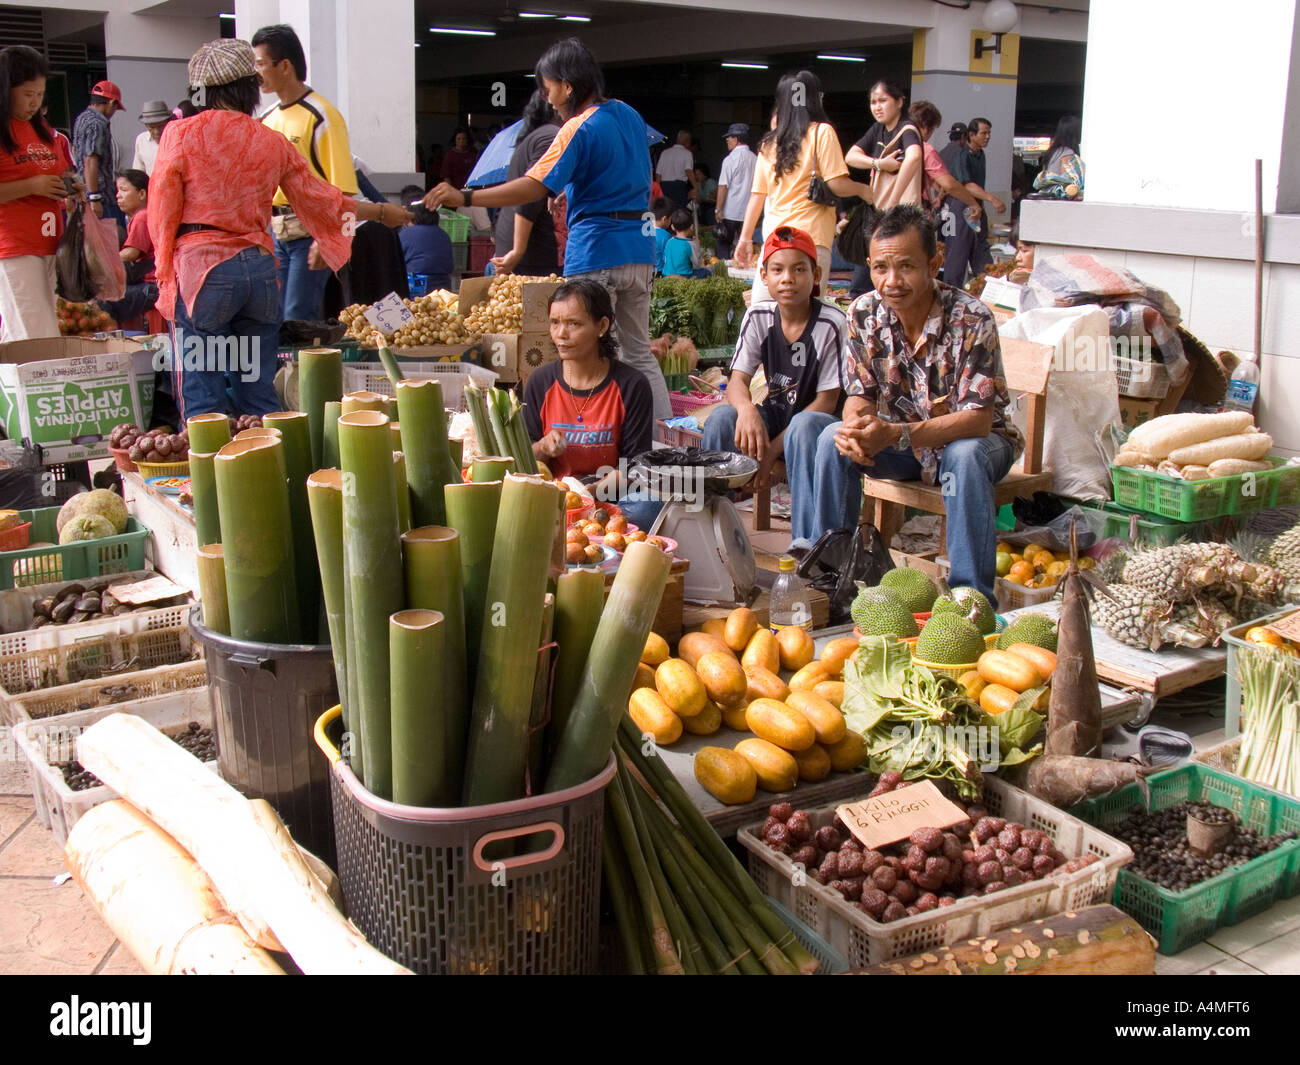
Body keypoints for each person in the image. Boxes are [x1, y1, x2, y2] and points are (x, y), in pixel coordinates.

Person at [149, 39, 409, 420]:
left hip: (201, 273)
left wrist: (163, 271)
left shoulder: (181, 134)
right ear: (249, 87)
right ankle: (271, 466)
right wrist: (384, 212)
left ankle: (206, 475)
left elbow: (162, 209)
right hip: (257, 273)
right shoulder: (271, 140)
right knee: (257, 393)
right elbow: (326, 201)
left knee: (202, 391)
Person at [424, 37, 670, 421]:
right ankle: (664, 440)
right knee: (638, 353)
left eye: (548, 86)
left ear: (567, 85)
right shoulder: (627, 114)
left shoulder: (576, 128)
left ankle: (595, 439)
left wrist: (467, 198)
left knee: (588, 357)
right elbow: (616, 173)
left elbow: (532, 187)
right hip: (639, 250)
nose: (547, 96)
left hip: (595, 252)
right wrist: (571, 190)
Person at [798, 205, 1023, 604]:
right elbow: (860, 394)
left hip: (977, 443)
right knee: (834, 436)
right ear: (868, 265)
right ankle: (834, 582)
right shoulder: (864, 313)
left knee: (965, 455)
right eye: (881, 267)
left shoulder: (973, 318)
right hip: (904, 445)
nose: (892, 281)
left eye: (906, 266)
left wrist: (894, 435)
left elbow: (979, 420)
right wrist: (856, 426)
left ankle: (971, 601)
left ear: (935, 261)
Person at [704, 226, 844, 522]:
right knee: (721, 420)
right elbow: (738, 381)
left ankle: (807, 543)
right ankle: (713, 520)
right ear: (764, 276)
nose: (787, 279)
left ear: (816, 275)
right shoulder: (759, 316)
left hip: (818, 428)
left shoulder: (832, 323)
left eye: (798, 269)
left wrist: (769, 454)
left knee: (804, 425)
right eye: (777, 270)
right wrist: (746, 410)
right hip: (777, 417)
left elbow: (828, 401)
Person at [252, 23, 359, 323]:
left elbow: (346, 192)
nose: (255, 72)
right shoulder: (265, 118)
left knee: (298, 317)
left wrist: (331, 242)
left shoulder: (323, 115)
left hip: (310, 232)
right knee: (273, 319)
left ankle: (305, 370)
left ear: (284, 65)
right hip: (274, 232)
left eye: (260, 64)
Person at [736, 70, 872, 303]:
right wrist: (864, 191)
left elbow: (758, 196)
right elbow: (836, 184)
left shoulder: (770, 142)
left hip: (776, 240)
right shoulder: (822, 132)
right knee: (809, 317)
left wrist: (745, 239)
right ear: (815, 98)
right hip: (812, 238)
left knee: (765, 311)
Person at [524, 278, 653, 510]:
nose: (560, 334)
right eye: (554, 322)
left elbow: (635, 469)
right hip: (552, 500)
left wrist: (587, 495)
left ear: (602, 326)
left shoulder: (632, 385)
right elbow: (523, 460)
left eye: (573, 324)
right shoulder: (540, 382)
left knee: (645, 505)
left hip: (610, 499)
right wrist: (543, 447)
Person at [0, 46, 79, 342]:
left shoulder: (41, 130)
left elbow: (60, 171)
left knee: (22, 334)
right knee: (38, 336)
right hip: (15, 246)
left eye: (39, 94)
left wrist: (71, 185)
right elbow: (34, 181)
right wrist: (32, 186)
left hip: (50, 242)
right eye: (27, 94)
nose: (35, 102)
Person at [844, 78, 924, 297]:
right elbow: (851, 156)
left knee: (885, 274)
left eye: (883, 100)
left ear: (899, 102)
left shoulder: (907, 129)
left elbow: (914, 156)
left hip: (899, 218)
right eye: (873, 102)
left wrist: (894, 200)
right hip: (878, 214)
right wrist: (879, 163)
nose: (877, 107)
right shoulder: (878, 129)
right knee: (868, 273)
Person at [491, 90, 560, 276]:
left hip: (516, 242)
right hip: (530, 250)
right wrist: (518, 250)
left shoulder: (533, 137)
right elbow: (529, 197)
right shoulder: (550, 136)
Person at [943, 116, 1005, 286]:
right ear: (971, 134)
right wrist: (992, 199)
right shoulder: (961, 155)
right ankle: (949, 297)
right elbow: (966, 185)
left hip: (977, 209)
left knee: (982, 254)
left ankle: (986, 291)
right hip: (960, 207)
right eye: (983, 133)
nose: (987, 137)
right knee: (957, 257)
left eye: (989, 133)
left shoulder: (981, 154)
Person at [907, 102, 982, 236]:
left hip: (888, 214)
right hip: (913, 215)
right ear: (927, 128)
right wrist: (973, 203)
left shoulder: (896, 145)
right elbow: (949, 184)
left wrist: (937, 196)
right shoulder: (926, 150)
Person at [96, 169, 158, 326]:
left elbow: (131, 253)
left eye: (123, 190)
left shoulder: (142, 217)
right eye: (117, 191)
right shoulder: (146, 215)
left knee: (104, 299)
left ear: (142, 194)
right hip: (152, 285)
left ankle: (113, 340)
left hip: (153, 287)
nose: (118, 195)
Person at [71, 79, 124, 226]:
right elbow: (90, 159)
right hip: (100, 197)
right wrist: (94, 197)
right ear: (112, 102)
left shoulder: (81, 118)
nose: (113, 112)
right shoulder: (97, 123)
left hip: (84, 194)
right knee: (109, 244)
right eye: (115, 108)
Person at [714, 122, 756, 260]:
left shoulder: (730, 159)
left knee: (723, 244)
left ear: (737, 138)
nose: (727, 139)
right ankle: (743, 273)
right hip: (749, 211)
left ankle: (724, 275)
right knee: (744, 245)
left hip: (730, 211)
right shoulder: (755, 158)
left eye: (730, 137)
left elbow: (722, 186)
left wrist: (718, 209)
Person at [399, 204, 455, 290]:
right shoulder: (444, 235)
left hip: (414, 285)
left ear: (413, 218)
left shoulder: (406, 233)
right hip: (443, 285)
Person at [1032, 115, 1084, 201]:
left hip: (1048, 197)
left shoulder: (1052, 152)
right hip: (1059, 200)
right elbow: (1068, 181)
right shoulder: (1067, 153)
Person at [655, 129, 693, 211]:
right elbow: (688, 171)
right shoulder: (687, 153)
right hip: (679, 186)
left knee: (665, 210)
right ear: (687, 141)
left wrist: (658, 187)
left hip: (664, 186)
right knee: (679, 211)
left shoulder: (665, 152)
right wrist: (695, 186)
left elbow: (658, 173)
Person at [132, 100, 170, 175]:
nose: (156, 131)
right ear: (146, 125)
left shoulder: (177, 140)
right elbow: (138, 173)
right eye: (151, 127)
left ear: (167, 122)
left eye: (160, 126)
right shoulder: (141, 140)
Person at [661, 209, 698, 278]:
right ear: (691, 227)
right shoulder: (691, 244)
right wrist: (698, 245)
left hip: (666, 276)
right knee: (706, 271)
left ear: (672, 227)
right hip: (684, 277)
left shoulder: (669, 241)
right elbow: (697, 264)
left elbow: (664, 258)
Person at [650, 195, 673, 274]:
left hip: (643, 272)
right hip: (659, 272)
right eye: (670, 219)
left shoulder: (643, 230)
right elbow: (667, 259)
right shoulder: (665, 235)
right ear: (664, 219)